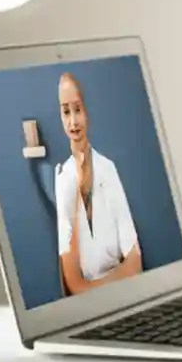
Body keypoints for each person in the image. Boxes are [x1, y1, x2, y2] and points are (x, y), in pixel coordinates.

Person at [55, 72, 142, 295]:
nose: (73, 121)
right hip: (88, 306)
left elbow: (134, 264)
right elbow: (73, 282)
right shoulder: (63, 178)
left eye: (78, 109)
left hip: (125, 295)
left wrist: (92, 290)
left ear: (88, 112)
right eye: (66, 111)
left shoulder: (108, 169)